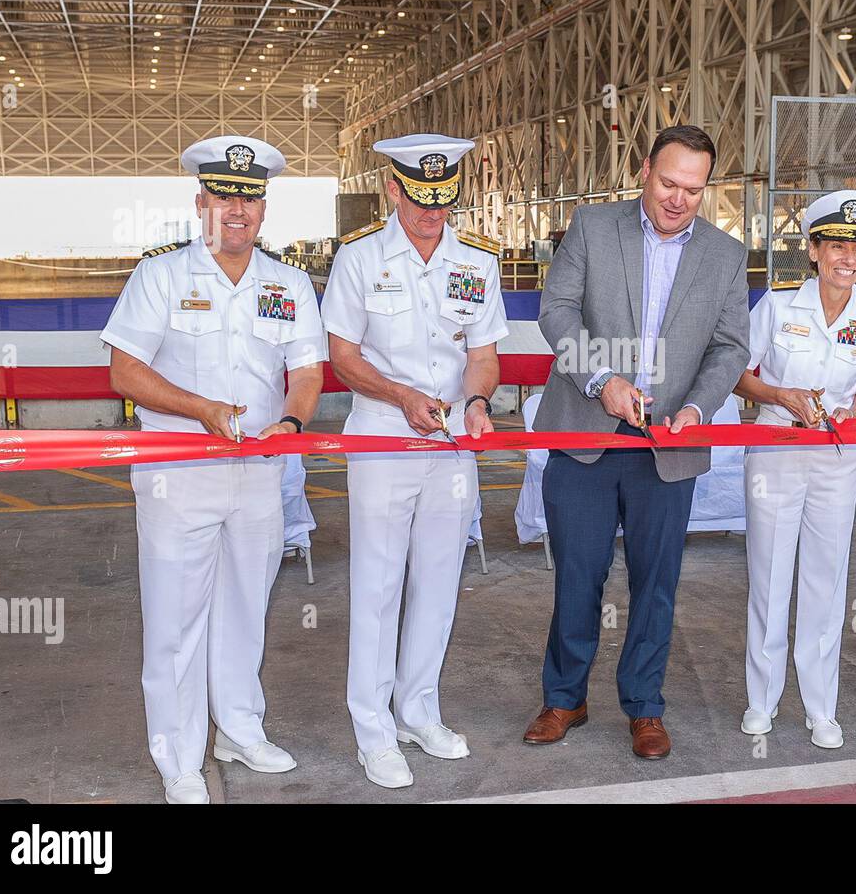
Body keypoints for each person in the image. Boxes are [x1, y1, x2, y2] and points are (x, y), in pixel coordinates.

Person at [102, 135, 325, 803]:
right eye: (226, 195)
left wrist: (292, 421)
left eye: (250, 197)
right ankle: (177, 756)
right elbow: (125, 370)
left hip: (259, 470)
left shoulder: (286, 282)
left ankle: (239, 729)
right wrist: (198, 408)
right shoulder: (161, 276)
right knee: (174, 619)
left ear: (263, 209)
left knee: (245, 608)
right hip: (178, 472)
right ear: (201, 201)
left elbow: (308, 369)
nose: (238, 208)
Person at [522, 125, 750, 759]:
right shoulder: (594, 229)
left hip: (669, 444)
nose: (679, 199)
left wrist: (700, 407)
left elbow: (731, 347)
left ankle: (645, 706)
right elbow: (556, 311)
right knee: (578, 573)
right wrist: (602, 378)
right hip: (586, 433)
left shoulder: (726, 257)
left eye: (694, 190)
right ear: (644, 170)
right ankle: (564, 697)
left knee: (656, 581)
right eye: (669, 183)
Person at [322, 133, 508, 790]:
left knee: (437, 580)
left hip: (453, 441)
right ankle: (372, 728)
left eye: (444, 201)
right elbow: (343, 357)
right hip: (381, 435)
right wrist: (400, 395)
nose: (433, 214)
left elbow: (483, 354)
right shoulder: (359, 258)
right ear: (393, 189)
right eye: (421, 200)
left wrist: (479, 401)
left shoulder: (476, 261)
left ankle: (419, 709)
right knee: (377, 586)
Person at [736, 191, 856, 749]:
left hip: (835, 458)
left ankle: (821, 706)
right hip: (775, 447)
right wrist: (781, 393)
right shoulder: (778, 304)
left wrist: (851, 415)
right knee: (769, 576)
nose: (847, 257)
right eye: (835, 245)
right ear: (813, 250)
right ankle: (762, 700)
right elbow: (739, 374)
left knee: (826, 581)